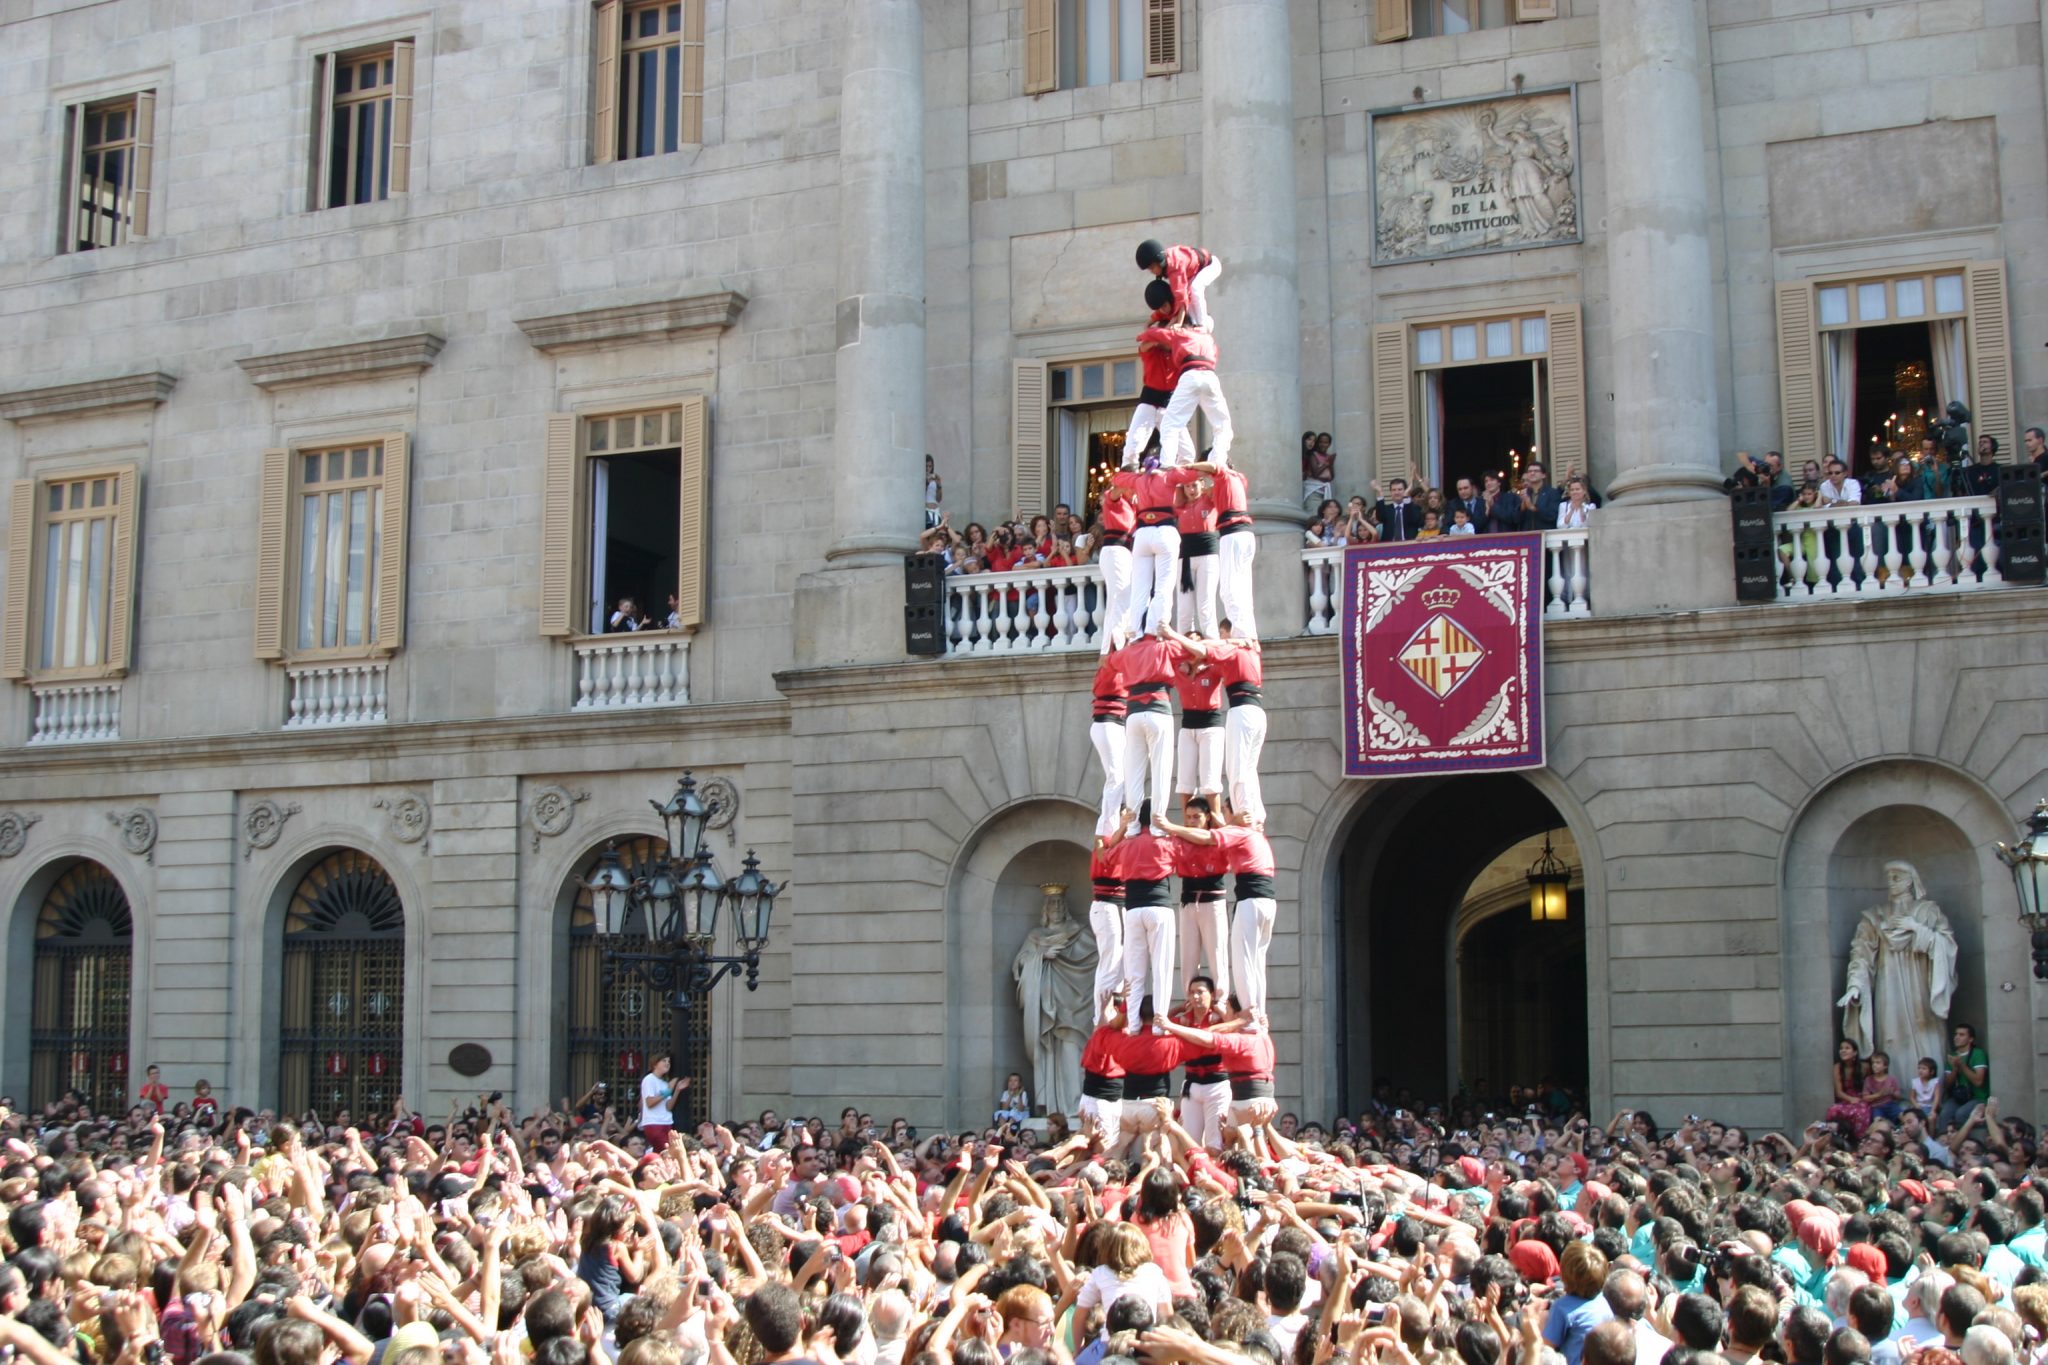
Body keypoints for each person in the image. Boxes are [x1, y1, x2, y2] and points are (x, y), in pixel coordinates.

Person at [1135, 238, 1221, 331]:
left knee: (1195, 288)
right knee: (1190, 299)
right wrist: (1147, 325)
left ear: (1160, 261)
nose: (1152, 272)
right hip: (1194, 273)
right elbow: (1183, 299)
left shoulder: (1175, 268)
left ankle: (1203, 324)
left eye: (1152, 268)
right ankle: (1196, 324)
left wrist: (1179, 323)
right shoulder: (1168, 262)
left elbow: (1181, 298)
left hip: (1210, 266)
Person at [1939, 1023, 1990, 1135]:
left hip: (1978, 1098)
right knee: (1945, 1113)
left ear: (1971, 1039)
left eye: (1961, 1035)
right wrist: (1955, 1069)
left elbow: (1978, 1081)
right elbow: (1947, 1085)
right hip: (1959, 1097)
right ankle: (1943, 1143)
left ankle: (1963, 1145)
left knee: (1961, 1114)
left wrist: (1962, 1065)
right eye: (1956, 1034)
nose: (1957, 1037)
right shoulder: (1952, 1056)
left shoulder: (1978, 1054)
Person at [1824, 1039, 1872, 1139]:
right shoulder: (1837, 1067)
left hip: (1861, 1098)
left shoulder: (1864, 1067)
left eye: (1847, 1048)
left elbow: (1871, 1085)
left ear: (1855, 1052)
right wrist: (1851, 1099)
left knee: (1861, 1112)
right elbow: (1839, 1092)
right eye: (1841, 1048)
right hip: (1846, 1099)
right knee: (1833, 1110)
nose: (1843, 1051)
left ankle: (1859, 1139)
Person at [641, 1053, 685, 1150]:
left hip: (667, 1123)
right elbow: (650, 1103)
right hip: (654, 1123)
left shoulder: (664, 1084)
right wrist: (668, 1091)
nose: (667, 1063)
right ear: (655, 1064)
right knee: (667, 1151)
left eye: (669, 1061)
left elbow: (668, 1107)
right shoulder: (649, 1079)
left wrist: (677, 1090)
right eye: (664, 1061)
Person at [1375, 477, 1424, 542]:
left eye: (1400, 489)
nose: (1397, 492)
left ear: (1405, 490)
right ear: (1390, 492)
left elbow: (1413, 519)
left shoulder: (1414, 508)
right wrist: (1380, 492)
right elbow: (1380, 517)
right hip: (1389, 546)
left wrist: (1406, 497)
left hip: (1410, 545)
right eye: (1394, 490)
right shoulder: (1387, 509)